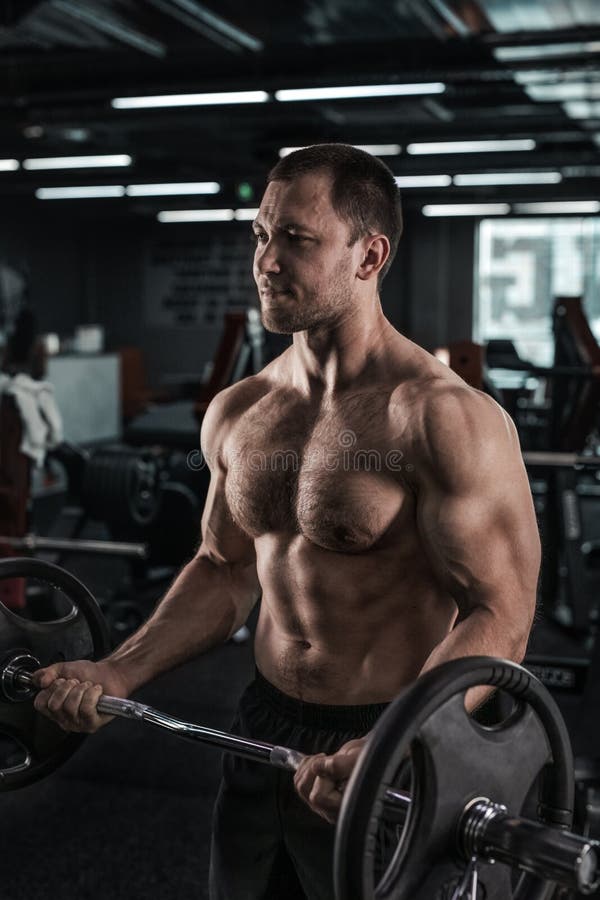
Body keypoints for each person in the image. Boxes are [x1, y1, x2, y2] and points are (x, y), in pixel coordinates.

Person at [32, 144, 540, 900]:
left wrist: (401, 742)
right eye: (260, 236)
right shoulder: (241, 410)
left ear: (370, 255)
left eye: (296, 239)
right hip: (260, 725)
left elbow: (500, 612)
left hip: (391, 737)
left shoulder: (442, 418)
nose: (266, 261)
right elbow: (224, 567)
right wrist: (118, 670)